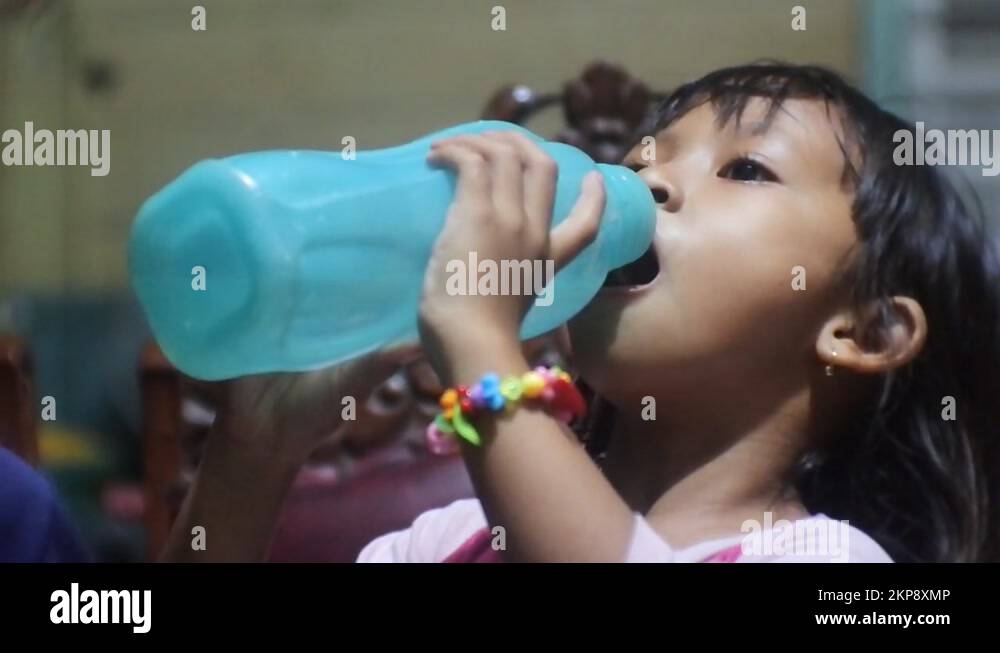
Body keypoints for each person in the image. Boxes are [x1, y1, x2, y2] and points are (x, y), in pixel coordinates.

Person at [163, 62, 1000, 563]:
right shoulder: (449, 539)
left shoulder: (834, 564)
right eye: (639, 159)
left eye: (745, 170)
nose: (647, 183)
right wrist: (253, 453)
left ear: (864, 331)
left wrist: (483, 353)